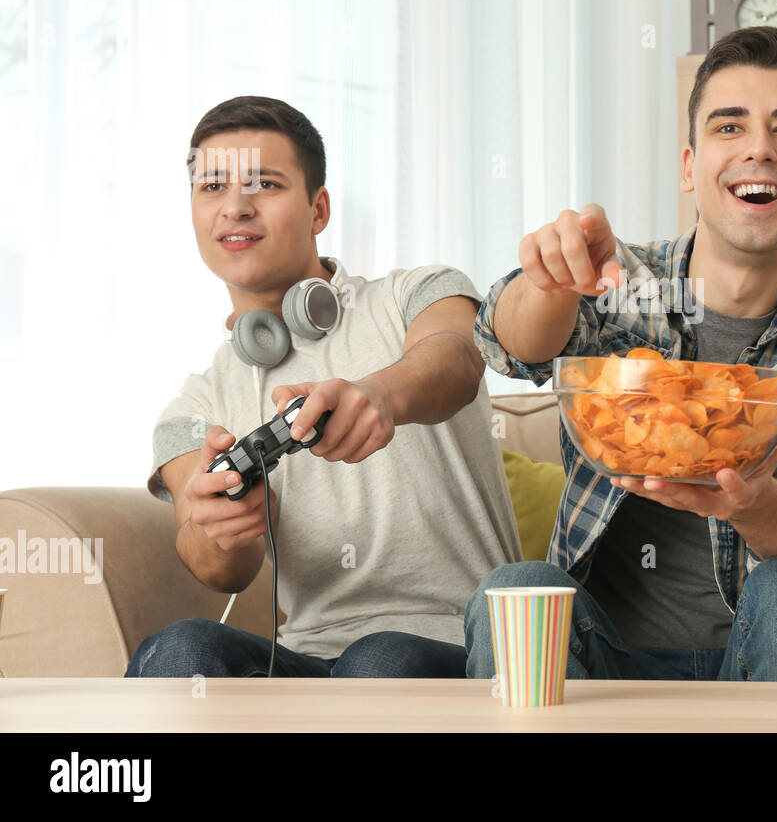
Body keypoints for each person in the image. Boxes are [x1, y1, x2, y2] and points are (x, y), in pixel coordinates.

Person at [467, 26, 777, 683]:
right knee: (516, 586)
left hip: (771, 652)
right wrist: (551, 285)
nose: (759, 148)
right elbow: (506, 345)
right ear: (688, 165)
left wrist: (750, 501)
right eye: (729, 127)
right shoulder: (618, 278)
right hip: (607, 659)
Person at [126, 96, 521, 678]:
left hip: (458, 646)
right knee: (181, 648)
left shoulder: (418, 292)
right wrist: (224, 531)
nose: (235, 207)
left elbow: (458, 357)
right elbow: (209, 558)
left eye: (264, 184)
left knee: (380, 658)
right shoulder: (194, 407)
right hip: (308, 661)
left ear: (318, 209)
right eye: (212, 188)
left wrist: (383, 396)